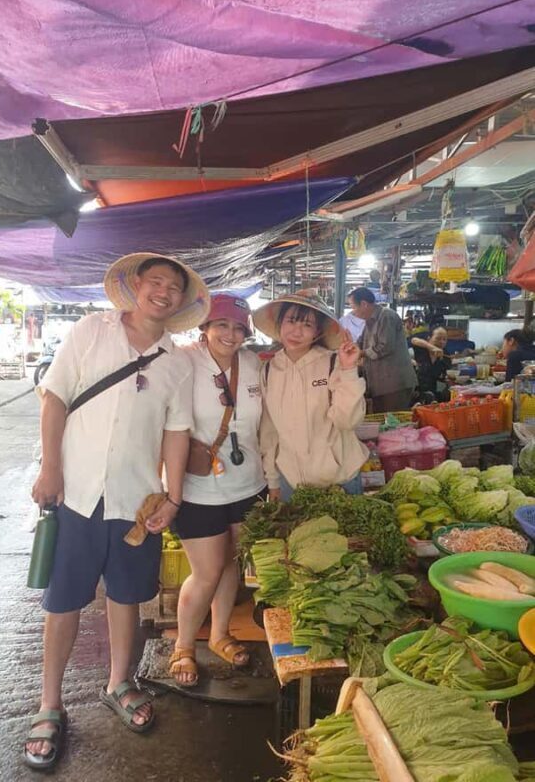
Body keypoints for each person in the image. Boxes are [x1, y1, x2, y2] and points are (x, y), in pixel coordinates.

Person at [24, 252, 209, 770]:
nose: (163, 292)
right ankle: (49, 704)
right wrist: (50, 470)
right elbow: (55, 399)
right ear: (136, 286)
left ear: (181, 301)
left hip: (137, 500)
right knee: (63, 601)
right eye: (156, 281)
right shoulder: (91, 330)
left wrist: (173, 496)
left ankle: (119, 683)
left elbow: (177, 433)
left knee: (126, 596)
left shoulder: (177, 362)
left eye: (174, 287)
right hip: (77, 493)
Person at [169, 294, 267, 687]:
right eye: (222, 325)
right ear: (205, 327)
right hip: (199, 488)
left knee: (231, 564)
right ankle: (183, 645)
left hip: (249, 483)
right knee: (206, 572)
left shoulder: (252, 364)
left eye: (239, 328)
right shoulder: (183, 361)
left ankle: (220, 633)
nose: (231, 334)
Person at [254, 289, 368, 502]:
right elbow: (269, 432)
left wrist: (348, 370)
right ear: (280, 324)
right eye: (291, 321)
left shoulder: (333, 363)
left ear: (317, 332)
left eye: (307, 325)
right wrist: (273, 481)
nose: (297, 332)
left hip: (339, 478)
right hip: (291, 482)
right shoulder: (269, 370)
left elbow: (347, 421)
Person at [348, 287, 417, 413]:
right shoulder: (369, 322)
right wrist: (349, 348)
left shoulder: (386, 316)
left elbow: (385, 347)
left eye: (353, 307)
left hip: (394, 385)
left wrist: (360, 353)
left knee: (392, 421)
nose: (353, 312)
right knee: (382, 420)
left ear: (364, 304)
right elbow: (360, 343)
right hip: (380, 385)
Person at [411, 327, 451, 400]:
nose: (442, 342)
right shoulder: (420, 349)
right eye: (438, 338)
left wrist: (448, 379)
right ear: (429, 338)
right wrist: (431, 347)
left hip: (432, 393)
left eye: (444, 339)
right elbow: (414, 340)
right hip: (414, 392)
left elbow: (444, 375)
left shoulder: (445, 356)